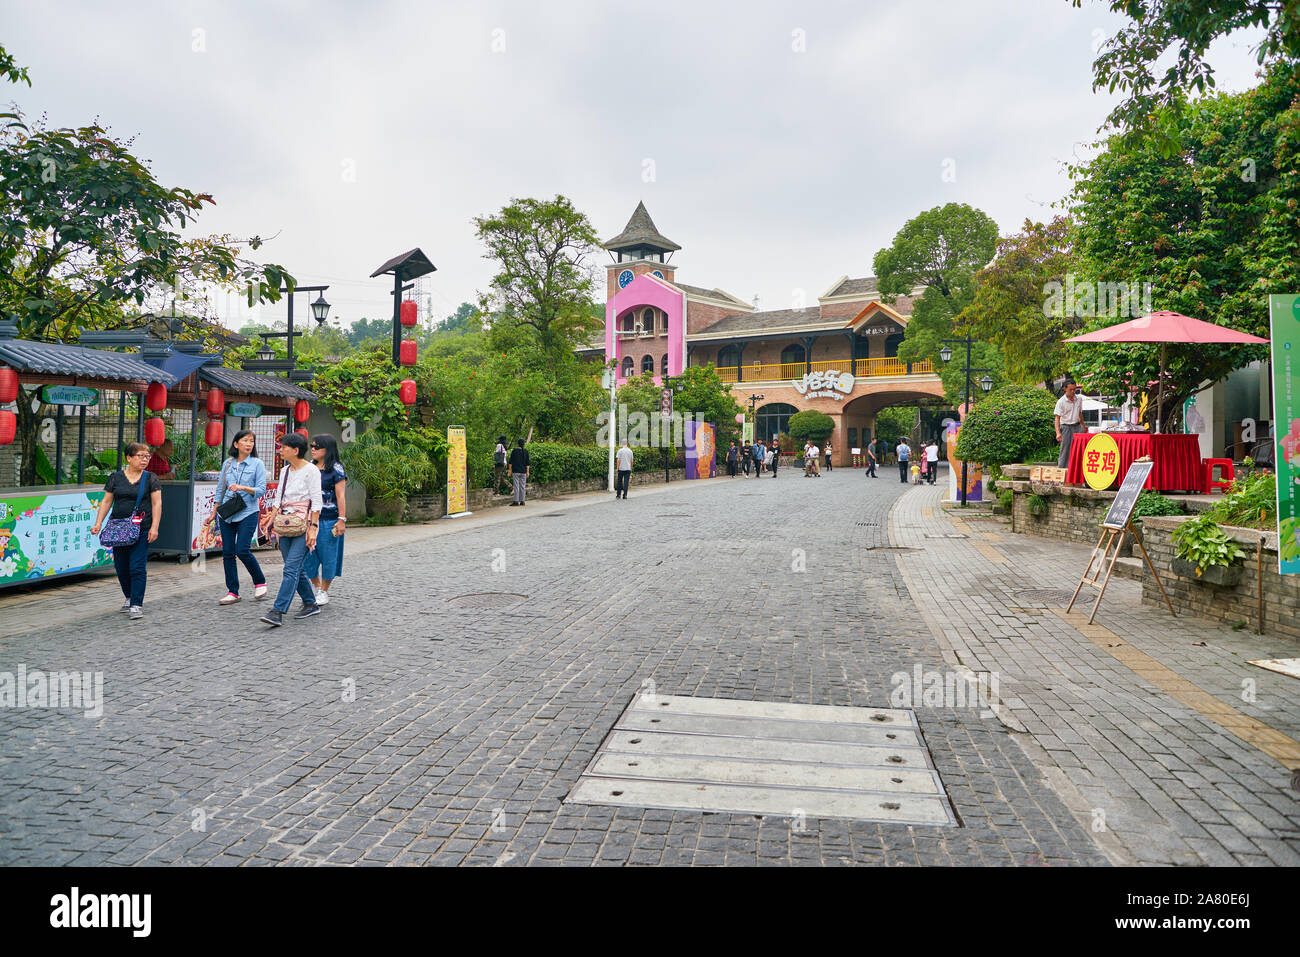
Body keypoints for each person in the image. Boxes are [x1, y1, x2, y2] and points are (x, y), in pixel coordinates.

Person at [90, 442, 162, 619]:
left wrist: (154, 527)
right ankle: (129, 597)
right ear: (129, 458)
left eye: (147, 456)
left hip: (142, 528)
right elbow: (107, 501)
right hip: (118, 529)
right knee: (121, 567)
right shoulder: (115, 478)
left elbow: (157, 503)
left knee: (137, 566)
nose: (145, 460)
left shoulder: (151, 478)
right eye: (141, 456)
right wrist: (98, 523)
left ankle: (137, 603)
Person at [258, 432, 322, 626]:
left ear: (295, 450)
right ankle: (310, 603)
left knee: (290, 568)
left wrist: (313, 529)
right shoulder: (285, 471)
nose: (281, 450)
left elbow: (317, 502)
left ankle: (277, 610)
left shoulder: (312, 471)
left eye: (284, 447)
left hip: (303, 523)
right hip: (285, 524)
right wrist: (271, 519)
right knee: (296, 568)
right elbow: (278, 498)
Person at [208, 429, 268, 605]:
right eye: (245, 440)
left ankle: (260, 582)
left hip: (248, 511)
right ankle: (233, 592)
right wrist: (213, 513)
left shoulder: (257, 464)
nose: (249, 444)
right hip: (227, 513)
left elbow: (261, 490)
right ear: (236, 444)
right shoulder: (227, 463)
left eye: (251, 441)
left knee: (242, 549)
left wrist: (243, 488)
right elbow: (220, 489)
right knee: (228, 553)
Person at [304, 433, 346, 605]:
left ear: (327, 449)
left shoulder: (336, 469)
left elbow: (341, 496)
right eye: (311, 446)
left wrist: (342, 519)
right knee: (308, 558)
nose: (312, 449)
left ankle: (324, 590)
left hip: (329, 519)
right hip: (308, 519)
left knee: (329, 558)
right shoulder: (309, 467)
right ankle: (316, 586)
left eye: (317, 447)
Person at [1055, 381, 1084, 468]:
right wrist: (1058, 433)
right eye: (1070, 389)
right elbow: (1057, 418)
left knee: (1080, 450)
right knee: (1065, 450)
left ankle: (1078, 471)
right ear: (1065, 389)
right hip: (1066, 427)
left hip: (1078, 426)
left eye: (1074, 389)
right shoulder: (1061, 402)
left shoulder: (1079, 399)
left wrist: (1083, 426)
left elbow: (1080, 413)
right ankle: (1061, 472)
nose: (1073, 391)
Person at [509, 438, 530, 506]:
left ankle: (516, 501)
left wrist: (510, 470)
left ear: (518, 444)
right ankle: (522, 501)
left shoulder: (514, 451)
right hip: (523, 471)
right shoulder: (526, 451)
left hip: (516, 471)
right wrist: (527, 472)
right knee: (522, 486)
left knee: (516, 486)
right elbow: (527, 463)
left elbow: (510, 462)